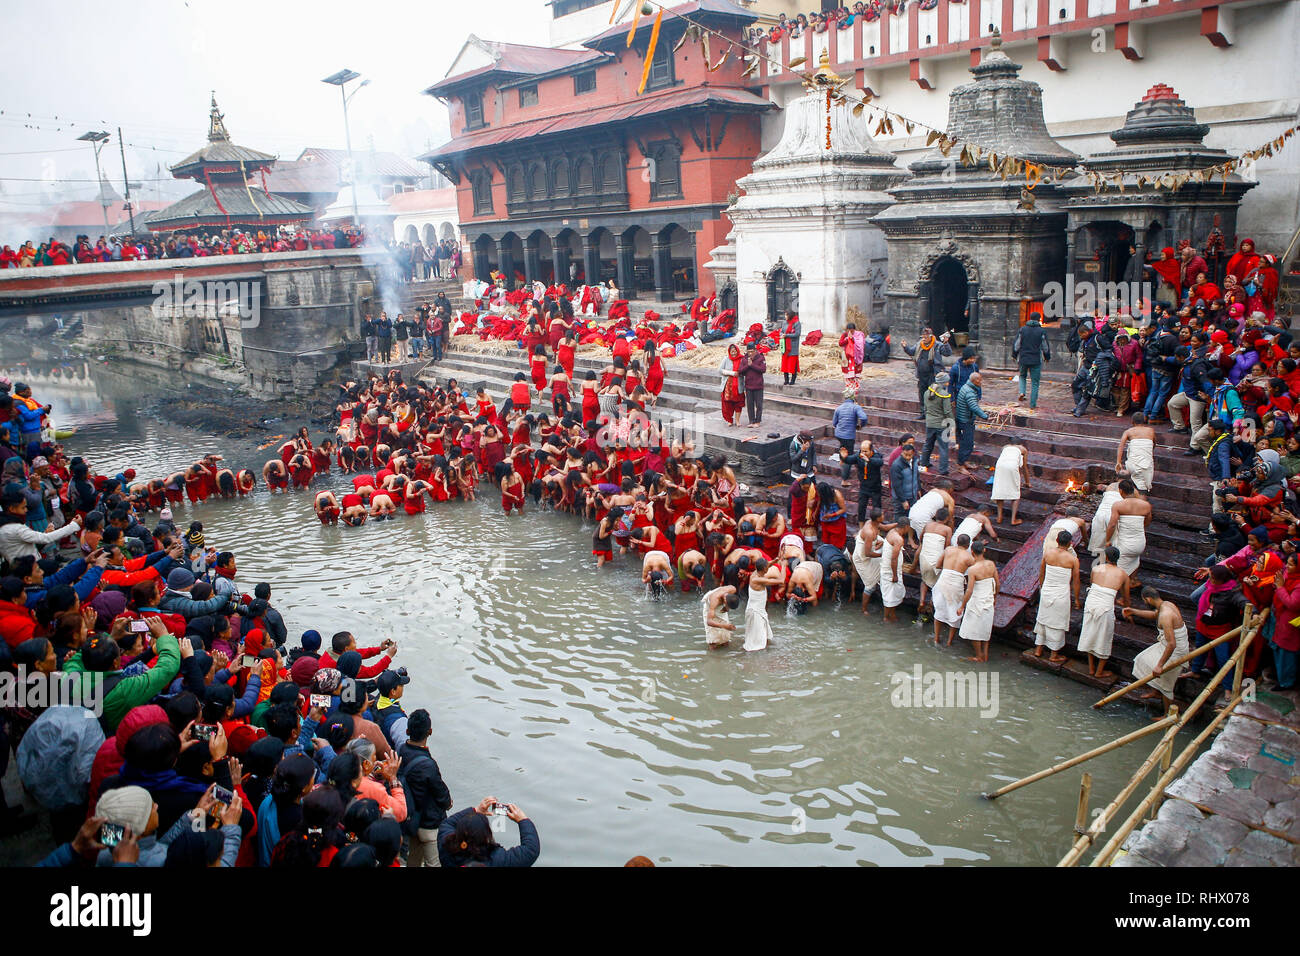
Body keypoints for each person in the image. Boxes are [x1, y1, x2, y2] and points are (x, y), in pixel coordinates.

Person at [1123, 587, 1190, 717]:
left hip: (1175, 651)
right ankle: (1155, 691)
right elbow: (1154, 615)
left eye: (1144, 601)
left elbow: (1172, 643)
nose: (1145, 603)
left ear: (1148, 599)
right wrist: (1134, 611)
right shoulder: (1166, 604)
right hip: (1165, 645)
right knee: (1141, 659)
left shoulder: (1166, 614)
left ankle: (1167, 715)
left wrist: (1160, 665)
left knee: (1166, 684)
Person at [399, 708, 453, 867]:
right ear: (430, 732)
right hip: (429, 825)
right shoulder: (428, 765)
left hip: (410, 820)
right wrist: (448, 803)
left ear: (407, 730)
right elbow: (442, 795)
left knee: (413, 860)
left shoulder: (401, 751)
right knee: (434, 863)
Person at [437, 795, 539, 867]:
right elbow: (531, 850)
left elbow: (447, 824)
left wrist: (476, 810)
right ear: (487, 835)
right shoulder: (498, 860)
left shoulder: (447, 847)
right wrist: (523, 820)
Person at [1079, 546, 1130, 681]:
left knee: (1090, 633)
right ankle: (1099, 671)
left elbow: (1092, 583)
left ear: (1106, 558)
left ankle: (1091, 668)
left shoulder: (1096, 569)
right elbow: (1126, 599)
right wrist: (1127, 608)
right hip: (1105, 606)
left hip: (1091, 603)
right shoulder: (1123, 575)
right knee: (1104, 637)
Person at [1034, 530, 1081, 664]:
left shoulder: (1048, 554)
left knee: (1043, 619)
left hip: (1047, 591)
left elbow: (1041, 573)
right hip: (1061, 594)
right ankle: (1053, 654)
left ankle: (1038, 649)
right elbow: (1076, 581)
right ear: (1070, 543)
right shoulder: (1073, 559)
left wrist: (1043, 588)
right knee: (1058, 623)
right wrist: (1077, 599)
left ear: (1057, 541)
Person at [1105, 478, 1152, 585]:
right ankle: (1132, 580)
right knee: (1135, 560)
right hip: (1140, 543)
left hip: (1125, 545)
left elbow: (1112, 525)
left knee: (1119, 571)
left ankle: (1121, 592)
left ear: (1121, 491)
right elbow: (1148, 521)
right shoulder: (1146, 505)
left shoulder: (1118, 505)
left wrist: (1107, 540)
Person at [957, 542, 999, 663]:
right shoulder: (991, 564)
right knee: (985, 629)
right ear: (984, 550)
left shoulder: (973, 569)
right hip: (988, 600)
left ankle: (979, 655)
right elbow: (997, 583)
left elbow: (969, 590)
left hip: (976, 601)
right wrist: (995, 597)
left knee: (974, 631)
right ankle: (985, 655)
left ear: (972, 552)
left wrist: (962, 606)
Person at [932, 534, 976, 646]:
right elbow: (975, 573)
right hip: (956, 584)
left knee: (940, 610)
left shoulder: (948, 550)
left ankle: (936, 639)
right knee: (955, 612)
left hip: (943, 580)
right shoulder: (970, 558)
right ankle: (949, 642)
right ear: (968, 545)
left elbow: (937, 565)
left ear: (957, 542)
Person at [901, 327, 951, 420]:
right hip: (921, 374)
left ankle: (933, 413)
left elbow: (947, 353)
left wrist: (946, 343)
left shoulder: (937, 345)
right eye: (923, 337)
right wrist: (905, 347)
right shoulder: (919, 344)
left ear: (931, 336)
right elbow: (911, 352)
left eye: (926, 337)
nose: (924, 339)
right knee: (922, 393)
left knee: (932, 394)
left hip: (933, 374)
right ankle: (923, 412)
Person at [742, 558, 784, 651]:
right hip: (756, 613)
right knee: (758, 646)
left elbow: (767, 564)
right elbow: (781, 581)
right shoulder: (758, 579)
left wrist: (776, 560)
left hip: (758, 611)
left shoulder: (756, 572)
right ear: (765, 569)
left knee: (763, 640)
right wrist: (784, 565)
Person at [954, 371, 990, 475]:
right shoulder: (969, 392)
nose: (981, 382)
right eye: (979, 380)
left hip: (962, 418)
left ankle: (963, 462)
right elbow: (973, 406)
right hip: (966, 420)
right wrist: (984, 416)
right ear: (974, 381)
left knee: (965, 443)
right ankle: (960, 465)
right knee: (967, 444)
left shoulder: (966, 386)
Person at [1013, 314, 1050, 409]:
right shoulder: (1041, 331)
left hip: (1023, 358)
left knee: (1022, 376)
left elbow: (1017, 345)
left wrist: (1014, 355)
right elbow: (1045, 347)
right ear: (1039, 319)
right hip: (1036, 359)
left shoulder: (1022, 329)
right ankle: (1032, 404)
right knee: (1035, 382)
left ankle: (1022, 392)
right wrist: (1047, 357)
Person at [1116, 413, 1156, 493]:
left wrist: (1118, 462)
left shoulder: (1128, 432)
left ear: (1132, 422)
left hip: (1132, 465)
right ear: (1144, 420)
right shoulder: (1151, 431)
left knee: (1132, 483)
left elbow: (1121, 446)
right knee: (1142, 487)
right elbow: (1154, 444)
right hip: (1146, 465)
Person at [920, 377, 953, 476]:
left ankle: (924, 462)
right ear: (944, 383)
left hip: (929, 423)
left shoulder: (926, 392)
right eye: (947, 382)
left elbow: (925, 408)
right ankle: (943, 469)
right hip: (941, 425)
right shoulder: (944, 395)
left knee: (928, 444)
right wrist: (952, 422)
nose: (948, 383)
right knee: (943, 447)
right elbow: (947, 411)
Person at [991, 443, 1029, 525]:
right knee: (1015, 493)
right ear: (1020, 444)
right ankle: (1013, 520)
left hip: (1000, 466)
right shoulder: (1023, 449)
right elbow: (1024, 467)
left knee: (1000, 490)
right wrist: (1027, 482)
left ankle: (999, 517)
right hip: (1012, 466)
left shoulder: (1005, 447)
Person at [878, 523, 906, 622]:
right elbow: (894, 559)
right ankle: (886, 617)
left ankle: (892, 614)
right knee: (889, 596)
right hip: (890, 571)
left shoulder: (892, 532)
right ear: (906, 527)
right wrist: (894, 575)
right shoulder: (898, 539)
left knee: (894, 594)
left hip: (889, 568)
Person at [738, 345, 766, 427]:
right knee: (750, 404)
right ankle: (751, 421)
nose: (750, 353)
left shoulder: (761, 358)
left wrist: (752, 365)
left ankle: (758, 421)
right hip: (748, 385)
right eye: (748, 351)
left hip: (758, 385)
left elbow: (763, 369)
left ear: (755, 350)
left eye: (752, 351)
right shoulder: (744, 359)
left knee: (759, 404)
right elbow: (741, 371)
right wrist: (748, 365)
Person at [780, 310, 801, 386]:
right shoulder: (784, 322)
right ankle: (786, 380)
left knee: (792, 364)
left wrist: (787, 335)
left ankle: (792, 380)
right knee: (785, 364)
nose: (785, 317)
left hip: (793, 346)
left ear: (790, 316)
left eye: (786, 315)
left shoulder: (796, 323)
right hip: (785, 346)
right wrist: (782, 334)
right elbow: (781, 331)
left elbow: (797, 334)